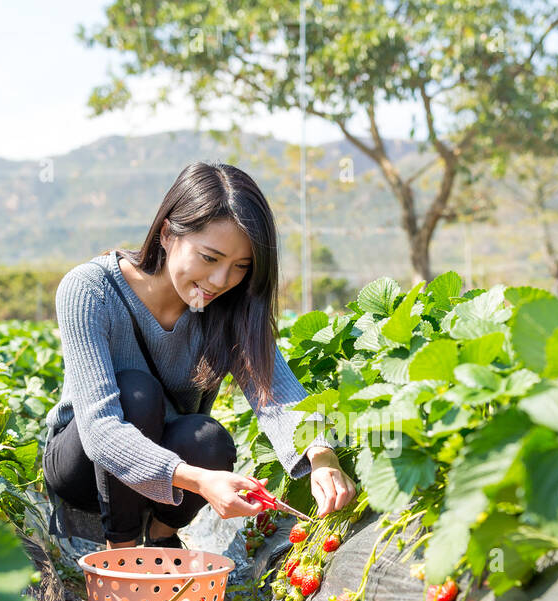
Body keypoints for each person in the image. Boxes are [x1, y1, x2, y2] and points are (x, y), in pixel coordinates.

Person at [42, 161, 356, 550]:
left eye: (240, 267)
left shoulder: (229, 307)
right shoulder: (90, 290)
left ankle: (162, 537)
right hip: (84, 471)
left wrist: (322, 455)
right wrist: (199, 481)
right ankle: (120, 555)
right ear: (167, 233)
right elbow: (100, 431)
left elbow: (276, 394)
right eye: (209, 258)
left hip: (166, 481)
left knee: (210, 440)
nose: (221, 281)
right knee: (137, 393)